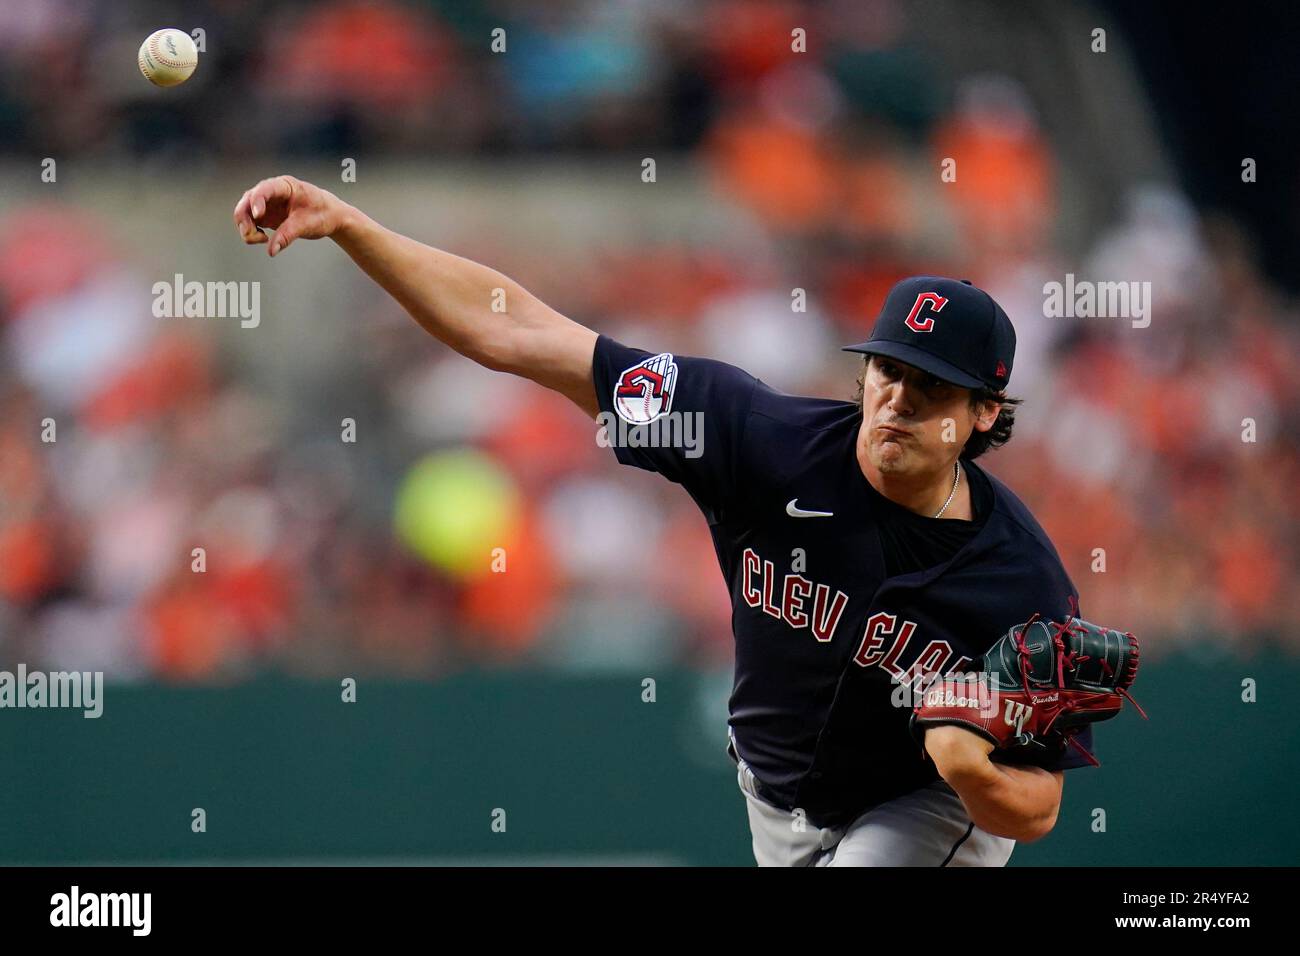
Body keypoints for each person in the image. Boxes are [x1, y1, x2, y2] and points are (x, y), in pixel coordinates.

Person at [233, 175, 1096, 866]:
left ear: (985, 414)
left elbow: (1040, 807)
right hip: (774, 797)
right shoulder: (754, 437)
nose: (898, 401)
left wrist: (971, 767)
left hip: (922, 807)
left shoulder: (1017, 581)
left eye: (932, 389)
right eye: (886, 373)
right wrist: (351, 227)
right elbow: (524, 334)